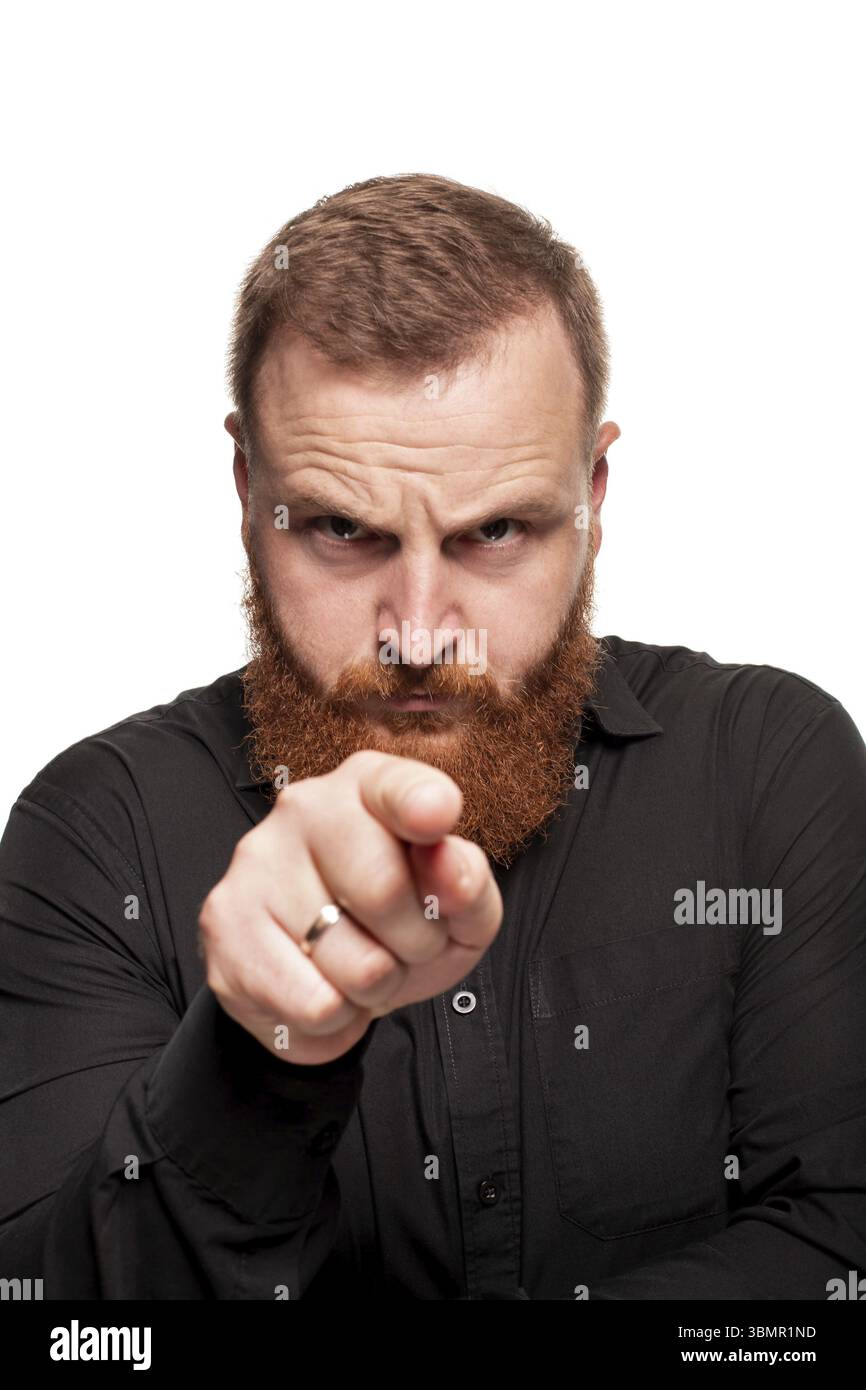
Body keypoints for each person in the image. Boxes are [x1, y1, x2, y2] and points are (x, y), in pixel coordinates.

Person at [1, 173, 864, 1300]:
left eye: (494, 529)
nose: (418, 637)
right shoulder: (99, 829)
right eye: (342, 529)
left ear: (593, 491)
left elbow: (838, 1248)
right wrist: (259, 1052)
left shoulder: (765, 767)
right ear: (245, 483)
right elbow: (63, 1323)